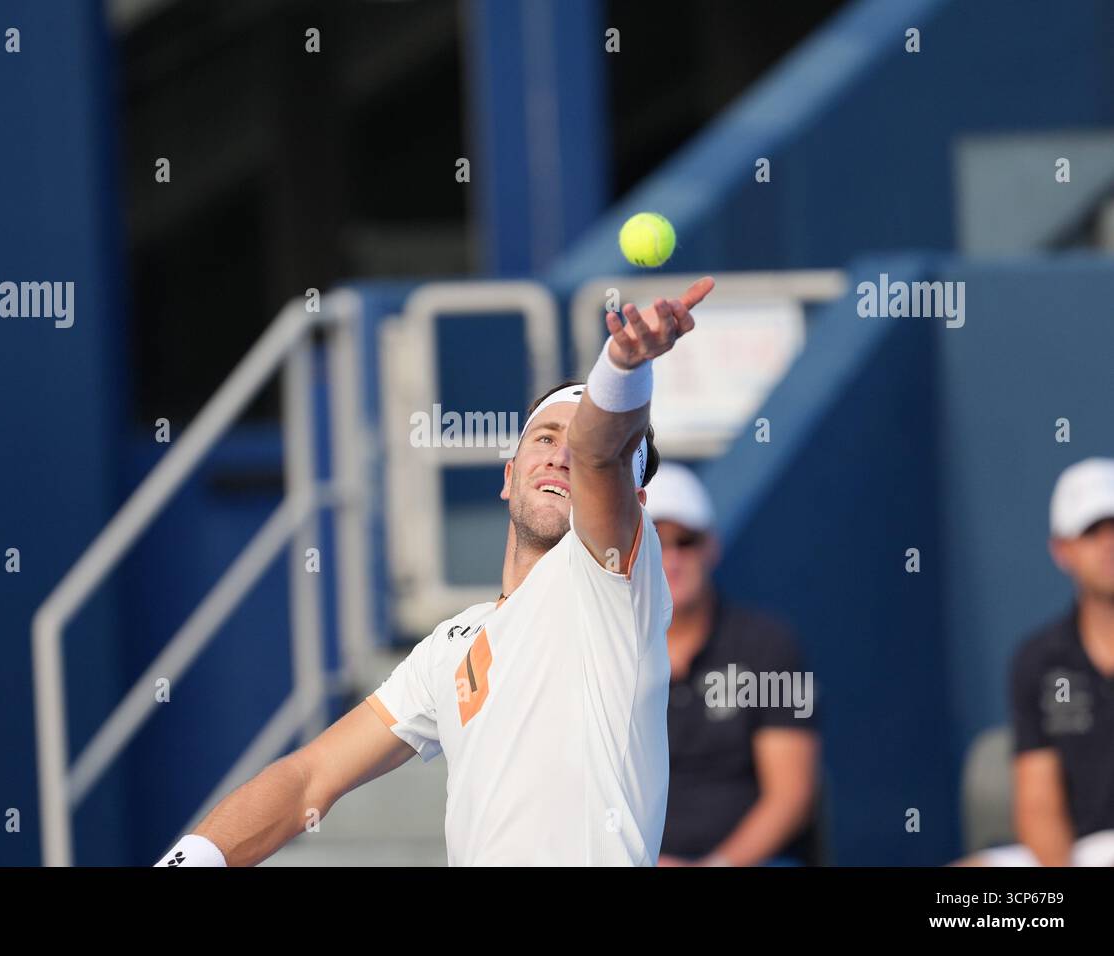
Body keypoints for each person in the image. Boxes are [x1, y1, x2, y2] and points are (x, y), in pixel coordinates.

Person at [154, 276, 716, 867]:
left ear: (635, 509)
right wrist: (192, 860)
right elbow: (309, 777)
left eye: (579, 444)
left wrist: (623, 367)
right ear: (508, 475)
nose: (562, 453)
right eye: (545, 437)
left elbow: (602, 448)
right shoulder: (453, 644)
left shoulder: (613, 582)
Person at [648, 463, 819, 866]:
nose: (672, 558)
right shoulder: (611, 652)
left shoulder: (771, 645)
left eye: (685, 541)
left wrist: (716, 867)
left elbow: (793, 793)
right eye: (656, 542)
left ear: (711, 546)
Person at [964, 457, 1114, 867]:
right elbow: (1038, 804)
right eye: (1091, 532)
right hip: (1076, 856)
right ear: (1062, 550)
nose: (1108, 544)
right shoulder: (1040, 660)